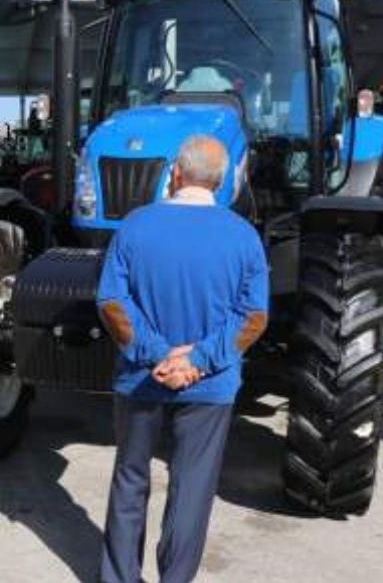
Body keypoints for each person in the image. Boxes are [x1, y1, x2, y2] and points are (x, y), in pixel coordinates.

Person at [96, 134, 269, 583]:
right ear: (225, 181)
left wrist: (156, 353)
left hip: (139, 380)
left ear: (175, 172)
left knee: (130, 479)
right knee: (192, 488)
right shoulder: (244, 237)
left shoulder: (134, 226)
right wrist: (198, 361)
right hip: (210, 387)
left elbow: (112, 304)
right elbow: (253, 317)